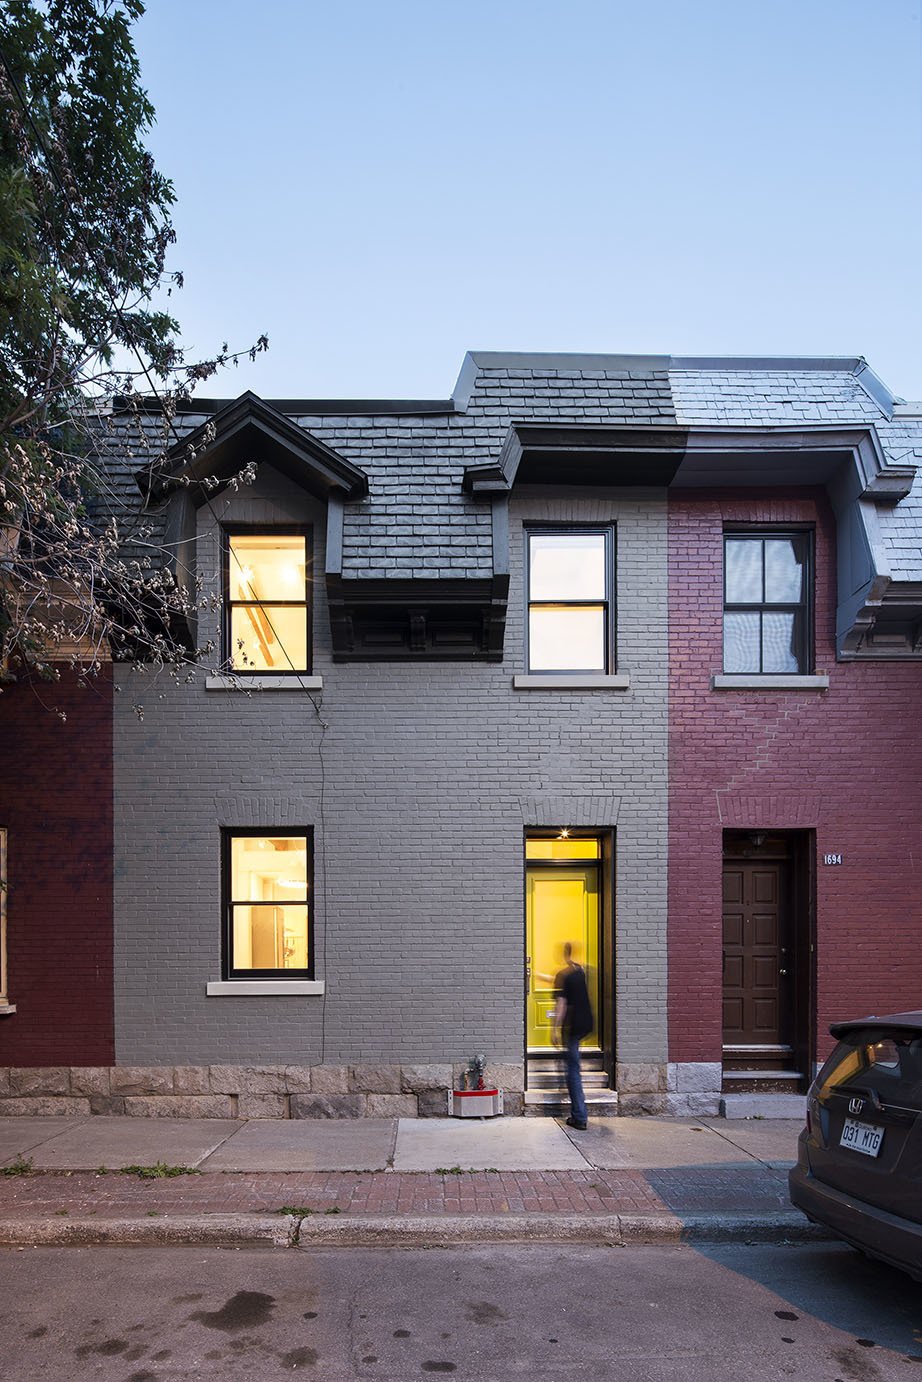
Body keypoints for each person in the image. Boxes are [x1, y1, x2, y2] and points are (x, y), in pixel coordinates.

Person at [553, 941, 594, 1130]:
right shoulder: (579, 971)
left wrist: (554, 1029)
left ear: (562, 954)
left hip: (573, 1026)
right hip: (585, 1023)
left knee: (572, 1071)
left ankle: (579, 1116)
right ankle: (579, 1112)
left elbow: (561, 1005)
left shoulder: (562, 976)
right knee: (574, 1064)